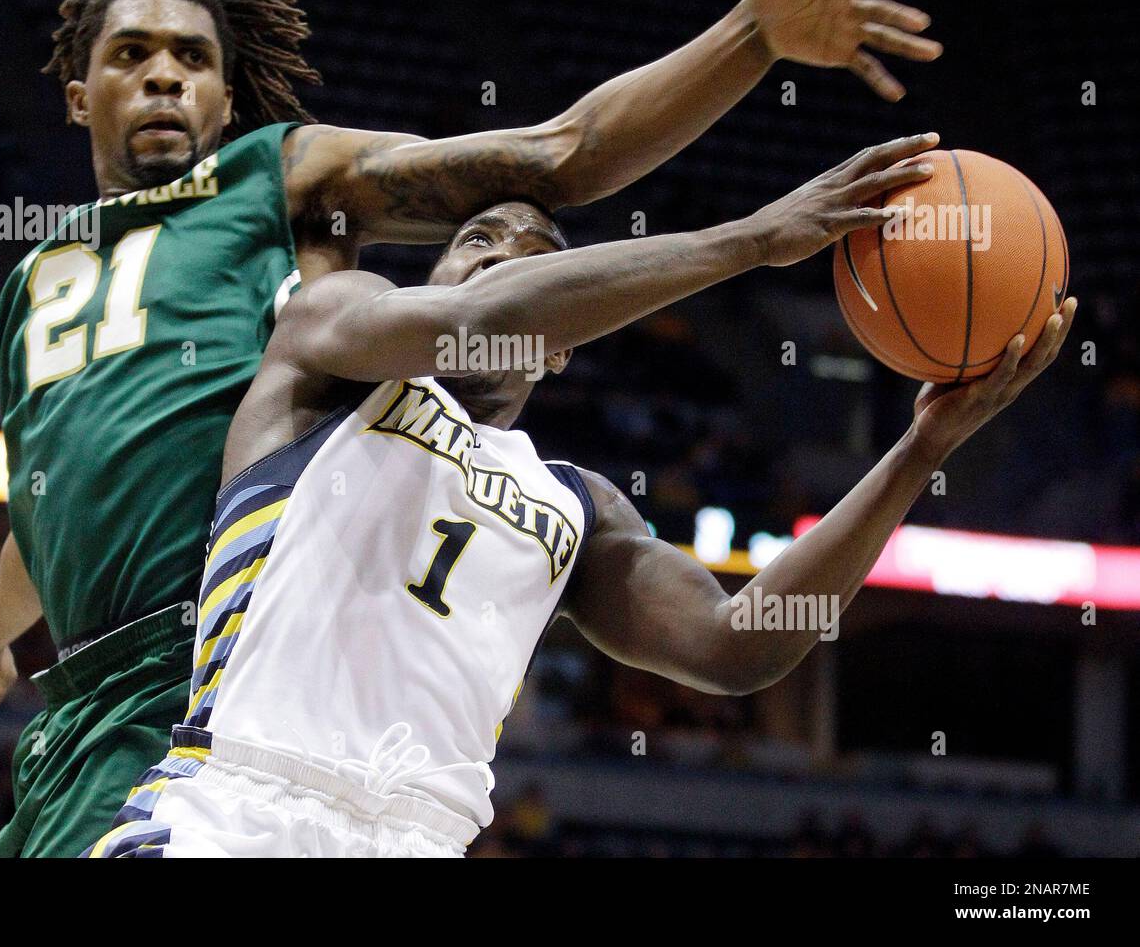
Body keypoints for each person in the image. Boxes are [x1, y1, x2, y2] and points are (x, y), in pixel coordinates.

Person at [0, 0, 943, 857]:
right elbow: (57, 493)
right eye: (130, 54)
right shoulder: (31, 281)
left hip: (204, 681)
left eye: (193, 58)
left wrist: (749, 39)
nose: (162, 78)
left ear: (229, 98)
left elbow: (557, 157)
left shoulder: (278, 189)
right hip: (81, 705)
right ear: (76, 94)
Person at [87, 143, 1075, 857]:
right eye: (475, 240)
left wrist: (918, 449)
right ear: (433, 275)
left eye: (536, 256)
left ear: (564, 346)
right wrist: (749, 241)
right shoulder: (331, 348)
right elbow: (478, 320)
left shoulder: (577, 505)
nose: (495, 256)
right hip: (236, 807)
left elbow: (740, 646)